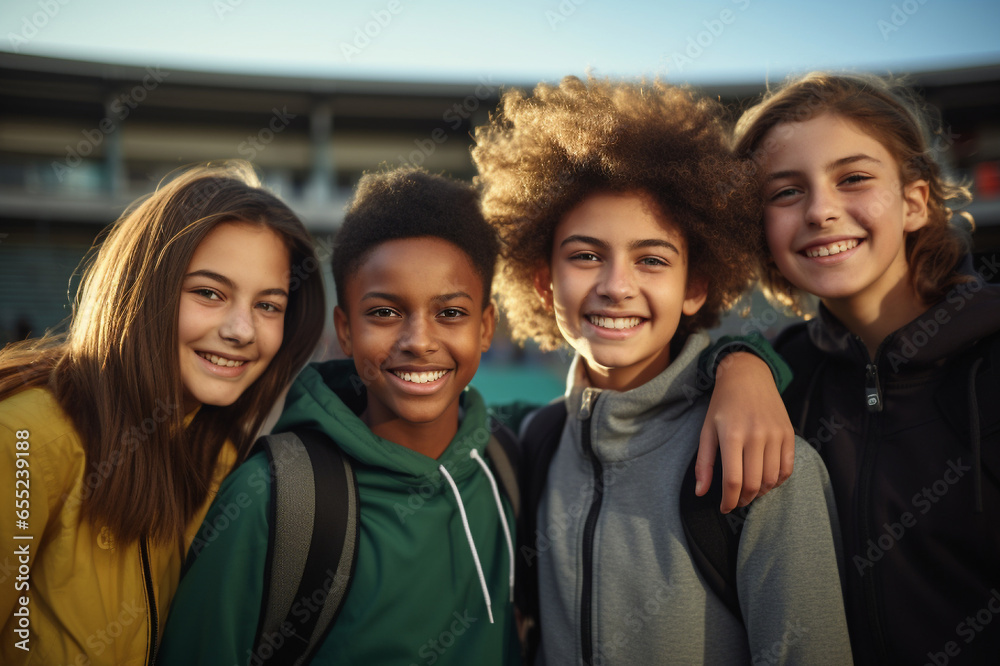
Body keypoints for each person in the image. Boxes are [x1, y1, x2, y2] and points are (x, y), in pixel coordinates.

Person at [472, 75, 852, 665]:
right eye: (586, 255)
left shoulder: (766, 465)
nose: (616, 286)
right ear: (544, 281)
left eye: (651, 259)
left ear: (695, 286)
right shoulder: (538, 444)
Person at [158, 167, 521, 665]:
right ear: (345, 331)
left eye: (450, 313)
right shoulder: (271, 500)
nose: (418, 340)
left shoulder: (508, 465)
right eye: (385, 313)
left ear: (485, 328)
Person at [0, 161, 325, 665]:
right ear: (143, 288)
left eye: (268, 305)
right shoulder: (24, 437)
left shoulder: (222, 462)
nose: (242, 330)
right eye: (209, 293)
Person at [733, 71, 1000, 664]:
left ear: (913, 202)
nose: (822, 211)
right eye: (786, 192)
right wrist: (736, 364)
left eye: (853, 178)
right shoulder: (776, 373)